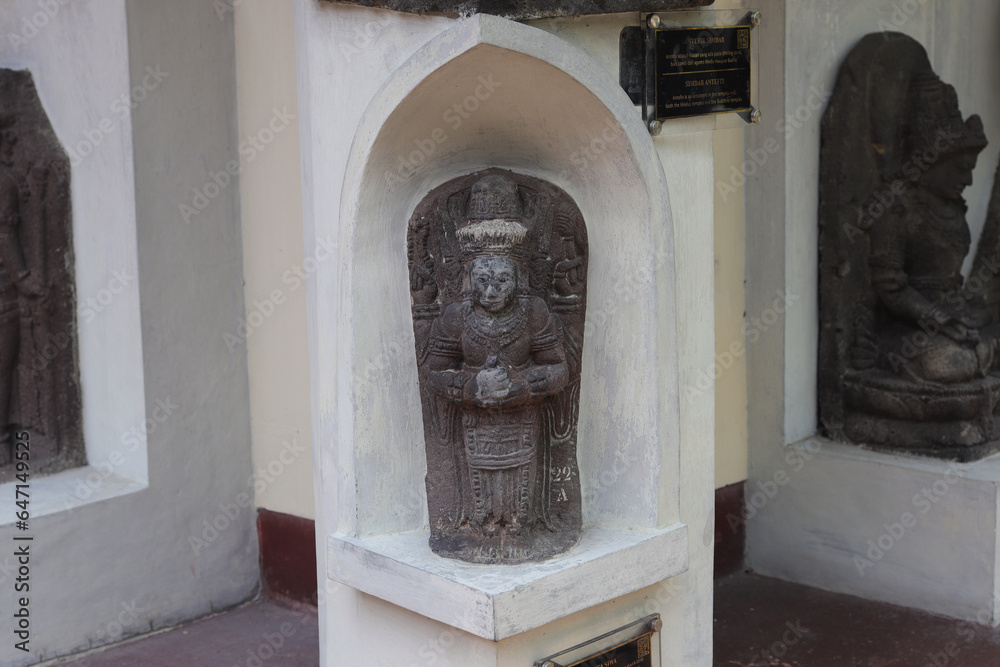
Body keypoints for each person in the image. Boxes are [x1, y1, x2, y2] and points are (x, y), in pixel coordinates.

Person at [424, 174, 568, 537]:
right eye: (483, 280)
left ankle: (519, 526)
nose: (491, 290)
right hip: (476, 420)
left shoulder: (533, 311)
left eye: (501, 280)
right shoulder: (457, 316)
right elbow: (433, 372)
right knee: (483, 491)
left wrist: (524, 387)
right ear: (469, 277)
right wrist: (472, 386)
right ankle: (483, 527)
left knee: (520, 493)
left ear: (518, 277)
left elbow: (560, 368)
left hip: (522, 415)